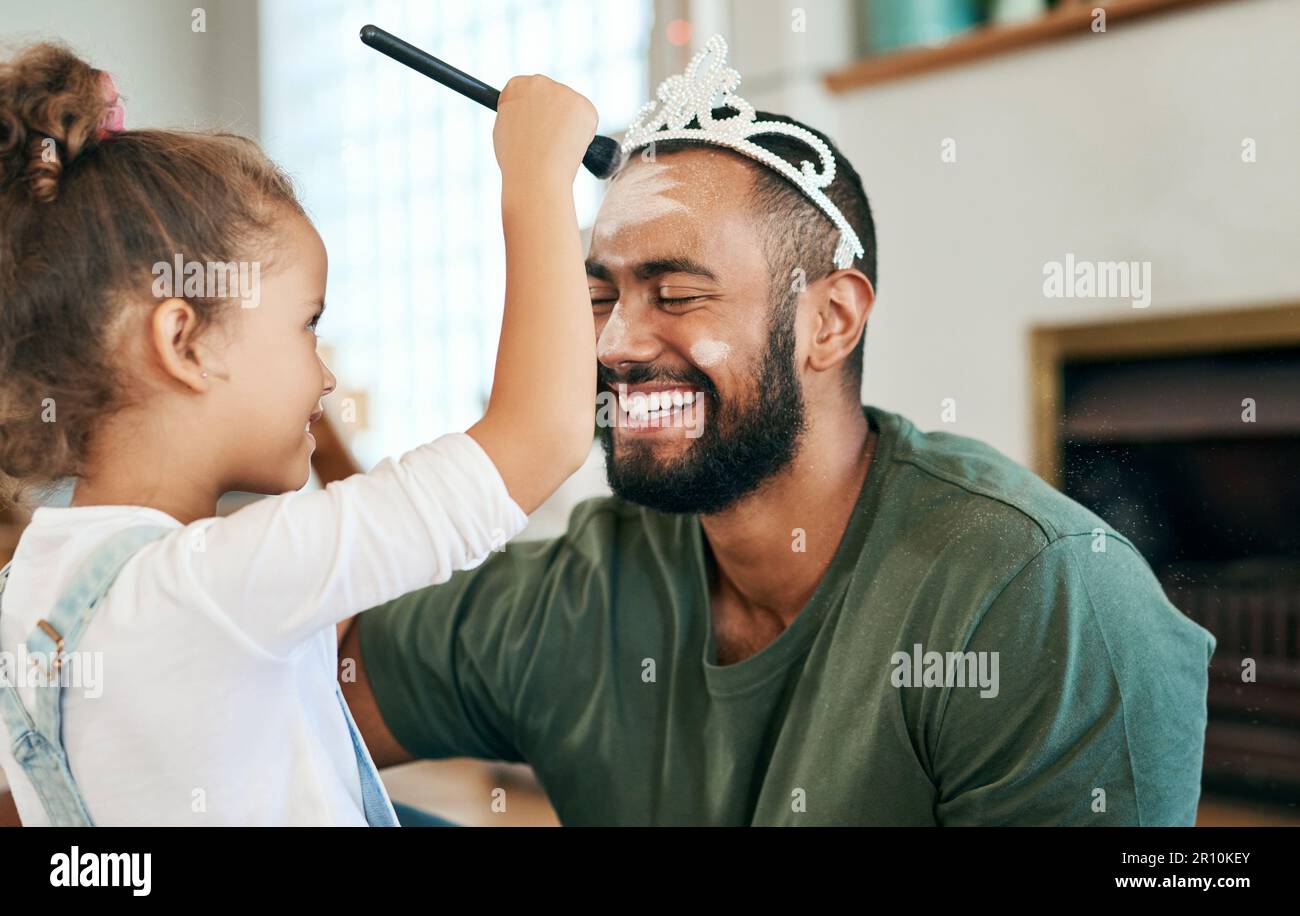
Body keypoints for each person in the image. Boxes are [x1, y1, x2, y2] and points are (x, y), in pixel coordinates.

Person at [339, 37, 1217, 826]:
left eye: (677, 294)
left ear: (831, 321)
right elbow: (304, 693)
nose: (614, 344)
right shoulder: (584, 586)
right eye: (601, 295)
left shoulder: (1043, 603)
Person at [0, 42, 598, 825]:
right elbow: (543, 433)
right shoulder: (220, 584)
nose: (323, 376)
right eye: (307, 325)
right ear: (184, 342)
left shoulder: (38, 584)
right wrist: (537, 177)